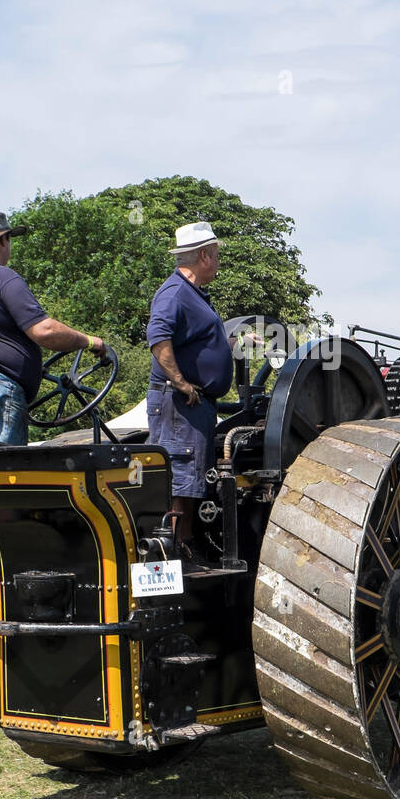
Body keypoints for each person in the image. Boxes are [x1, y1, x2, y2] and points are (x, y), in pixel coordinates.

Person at [0, 211, 109, 592]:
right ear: (1, 241)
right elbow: (44, 330)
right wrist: (90, 342)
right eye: (9, 240)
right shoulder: (2, 277)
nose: (10, 247)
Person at [145, 222, 233, 567]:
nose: (218, 262)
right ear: (203, 255)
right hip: (179, 401)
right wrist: (180, 382)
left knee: (192, 476)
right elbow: (158, 336)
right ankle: (175, 553)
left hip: (193, 405)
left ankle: (184, 548)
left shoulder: (191, 294)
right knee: (180, 475)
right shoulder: (174, 293)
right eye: (216, 255)